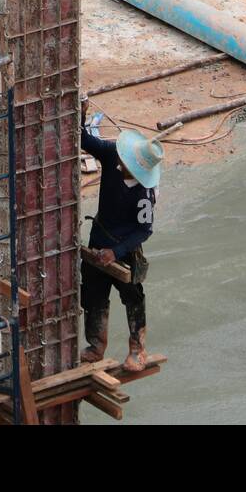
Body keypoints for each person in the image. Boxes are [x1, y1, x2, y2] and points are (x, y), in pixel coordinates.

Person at [79, 97, 161, 373]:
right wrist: (80, 114)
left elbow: (144, 230)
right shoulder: (113, 153)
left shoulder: (144, 195)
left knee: (133, 297)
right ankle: (95, 346)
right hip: (99, 237)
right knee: (92, 294)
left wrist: (117, 252)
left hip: (124, 249)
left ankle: (137, 348)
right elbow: (84, 141)